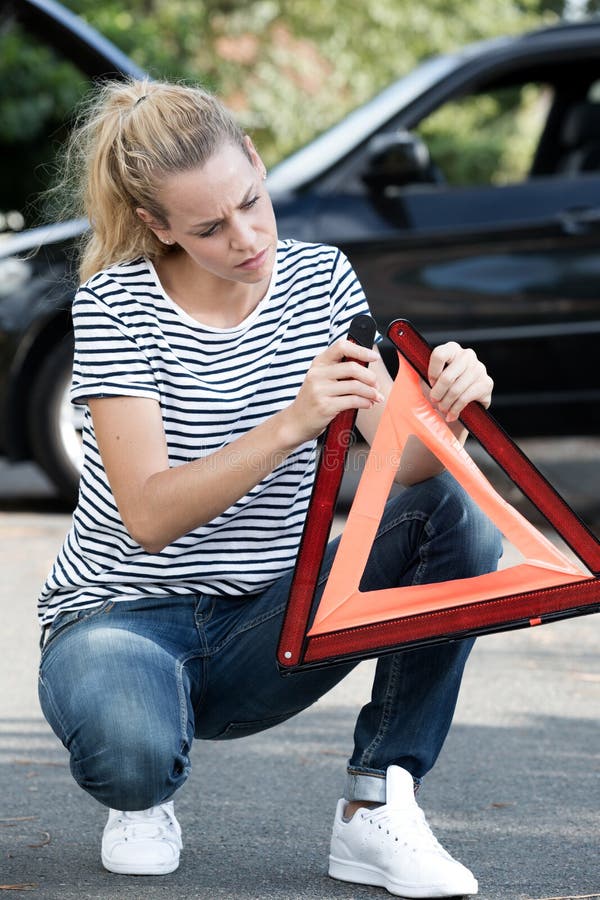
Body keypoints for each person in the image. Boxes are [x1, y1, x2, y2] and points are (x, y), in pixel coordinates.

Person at [37, 77, 502, 898]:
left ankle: (376, 804)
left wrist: (453, 414)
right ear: (157, 225)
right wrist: (291, 423)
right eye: (209, 228)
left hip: (266, 624)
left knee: (453, 515)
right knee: (134, 758)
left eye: (251, 201)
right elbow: (148, 515)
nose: (248, 238)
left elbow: (410, 465)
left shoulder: (319, 280)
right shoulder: (115, 304)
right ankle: (143, 791)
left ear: (255, 159)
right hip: (120, 621)